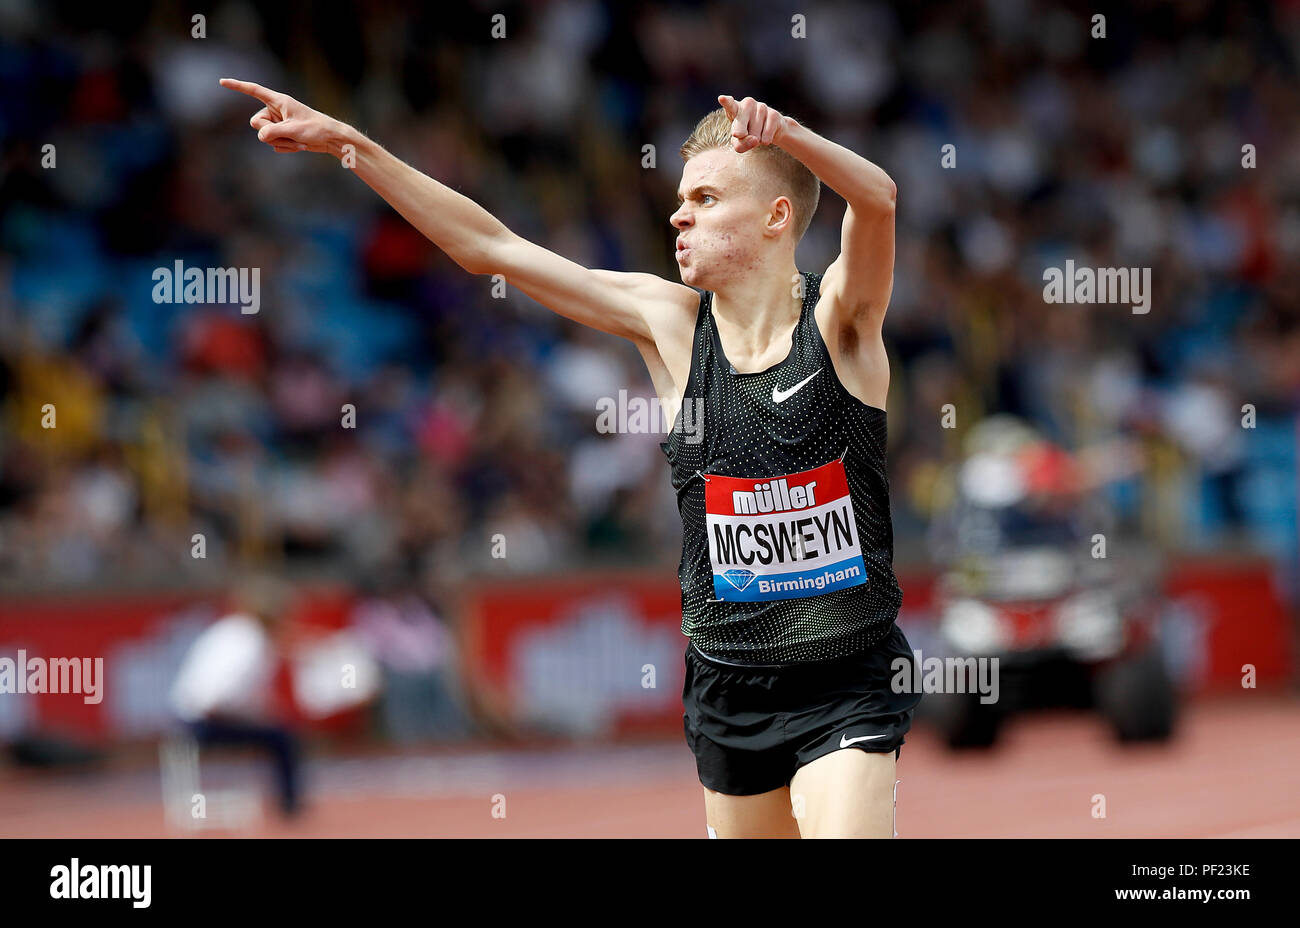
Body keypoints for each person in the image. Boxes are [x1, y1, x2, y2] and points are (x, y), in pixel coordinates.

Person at [221, 79, 918, 838]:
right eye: (681, 197)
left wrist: (786, 135)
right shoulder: (669, 326)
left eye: (709, 198)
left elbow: (876, 199)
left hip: (845, 673)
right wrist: (349, 145)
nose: (680, 213)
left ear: (778, 216)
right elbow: (489, 247)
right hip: (730, 685)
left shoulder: (841, 322)